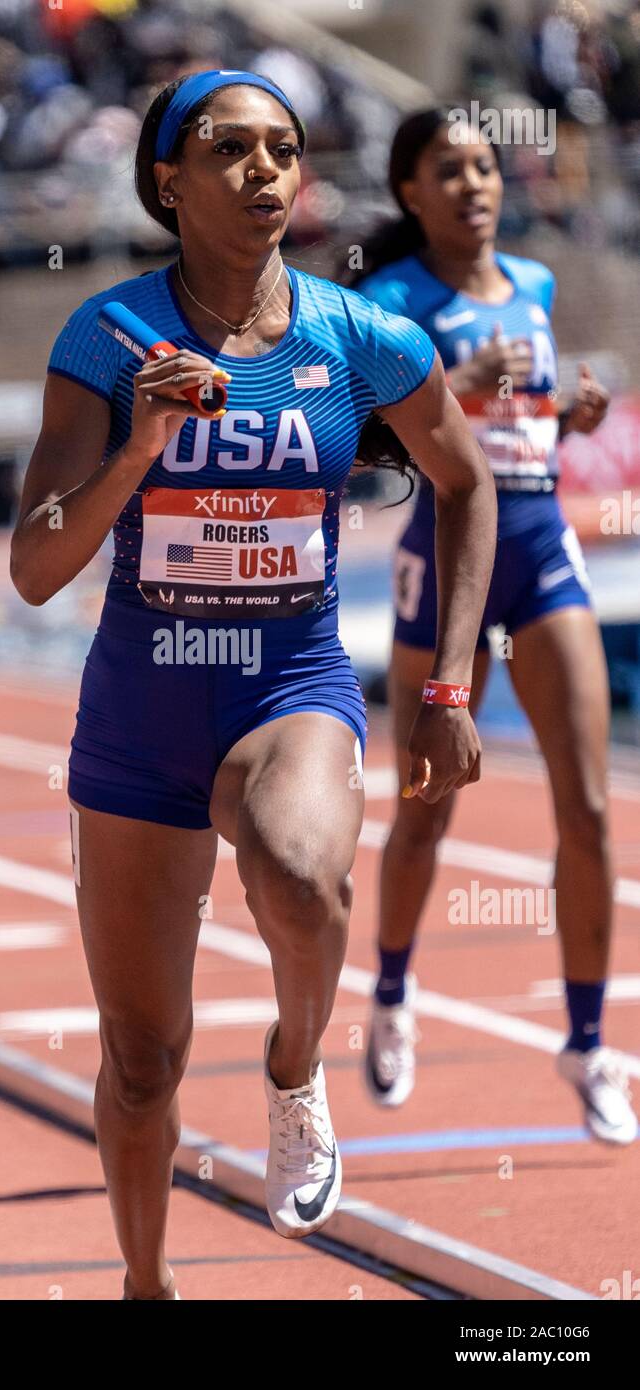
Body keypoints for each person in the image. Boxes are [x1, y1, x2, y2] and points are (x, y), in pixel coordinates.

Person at [10, 72, 496, 1301]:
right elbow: (36, 562)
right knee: (140, 1063)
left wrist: (445, 683)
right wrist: (140, 450)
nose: (266, 172)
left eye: (283, 149)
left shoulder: (361, 336)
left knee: (298, 869)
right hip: (138, 716)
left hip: (289, 685)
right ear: (168, 179)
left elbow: (468, 482)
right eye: (230, 150)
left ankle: (292, 1068)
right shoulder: (108, 338)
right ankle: (145, 1281)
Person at [348, 105, 636, 1145]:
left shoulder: (536, 286)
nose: (474, 184)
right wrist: (456, 385)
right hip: (444, 562)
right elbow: (365, 436)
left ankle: (588, 1040)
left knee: (590, 811)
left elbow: (534, 413)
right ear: (409, 193)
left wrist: (572, 413)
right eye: (448, 170)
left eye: (483, 166)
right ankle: (388, 992)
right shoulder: (389, 302)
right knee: (424, 809)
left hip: (540, 545)